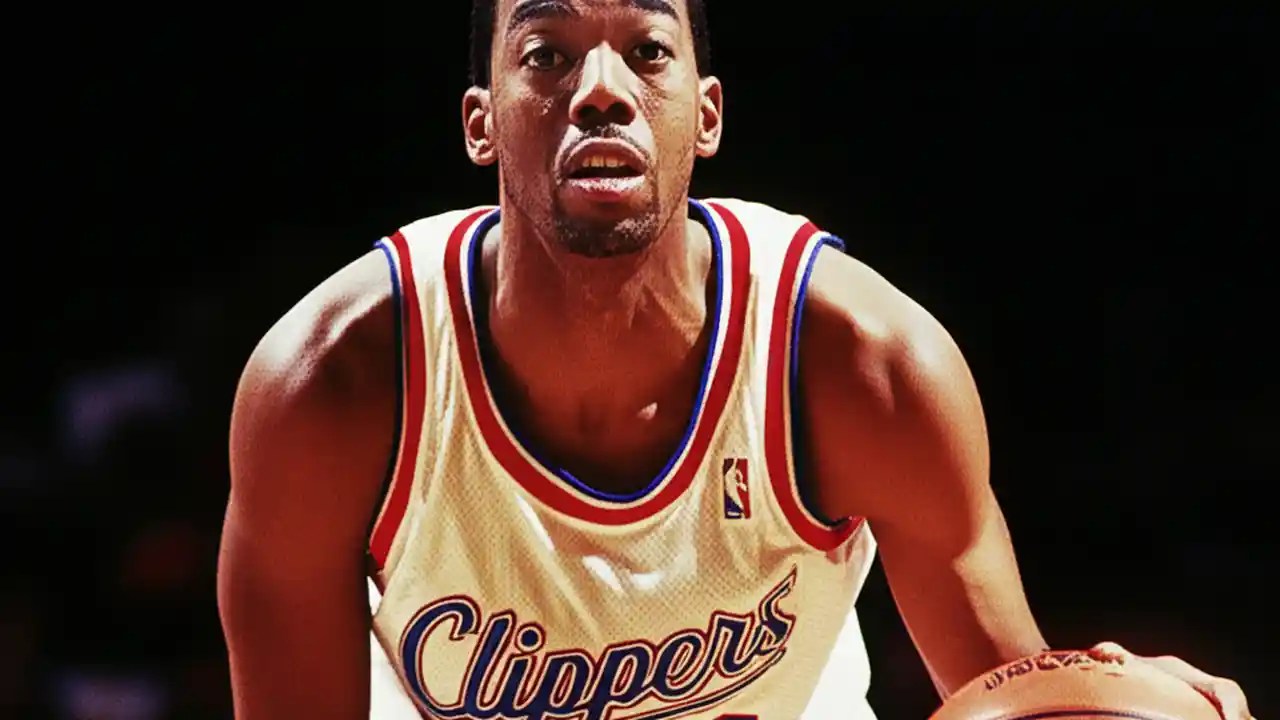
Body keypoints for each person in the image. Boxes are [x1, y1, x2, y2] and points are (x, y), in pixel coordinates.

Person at [216, 1, 1255, 718]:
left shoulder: (864, 365)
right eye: (545, 54)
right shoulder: (332, 384)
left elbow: (997, 686)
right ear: (479, 124)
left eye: (647, 51)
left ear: (703, 114)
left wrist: (1112, 698)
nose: (601, 90)